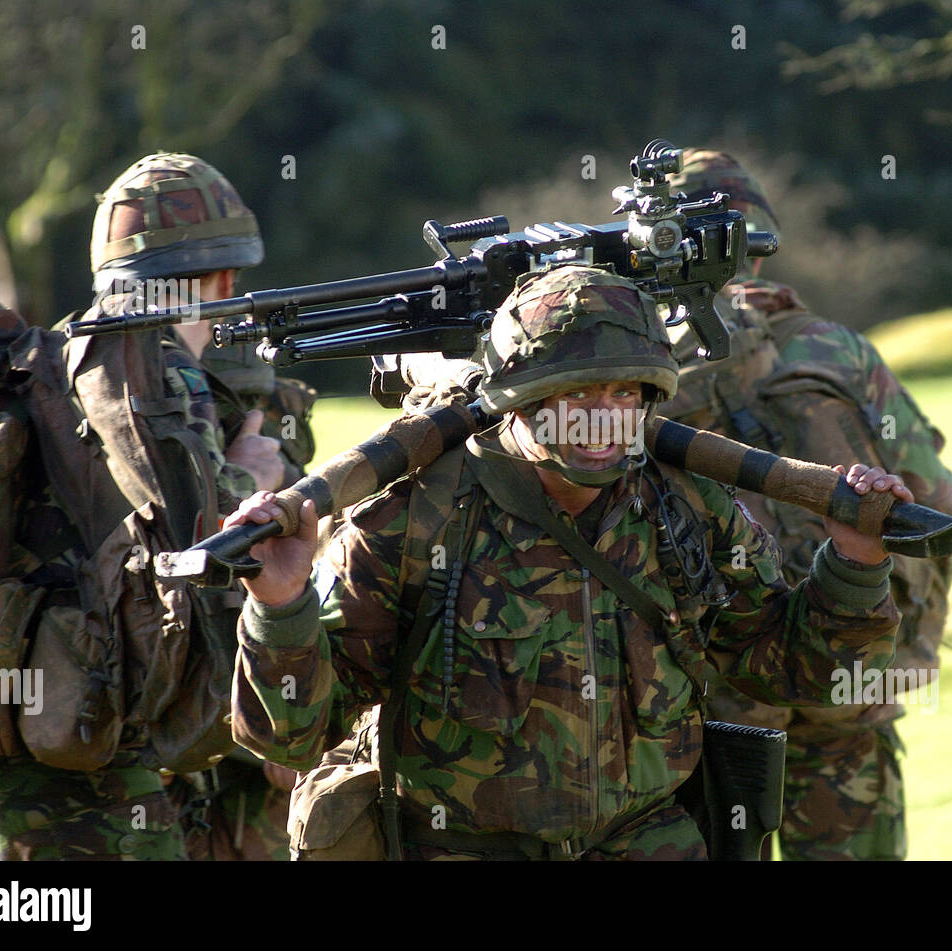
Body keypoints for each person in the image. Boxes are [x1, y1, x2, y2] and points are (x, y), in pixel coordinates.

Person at [227, 264, 909, 860]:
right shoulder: (411, 522)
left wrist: (854, 562)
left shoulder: (686, 509)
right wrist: (281, 607)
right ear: (519, 399)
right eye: (579, 393)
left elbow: (797, 668)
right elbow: (291, 737)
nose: (603, 418)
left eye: (623, 395)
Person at [0, 152, 296, 860]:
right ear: (225, 274)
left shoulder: (68, 361)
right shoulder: (147, 376)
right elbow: (195, 546)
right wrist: (249, 476)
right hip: (78, 749)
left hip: (40, 730)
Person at [663, 149, 952, 860]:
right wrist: (906, 643)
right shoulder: (839, 351)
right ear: (759, 249)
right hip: (849, 684)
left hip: (710, 700)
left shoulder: (632, 362)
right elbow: (933, 497)